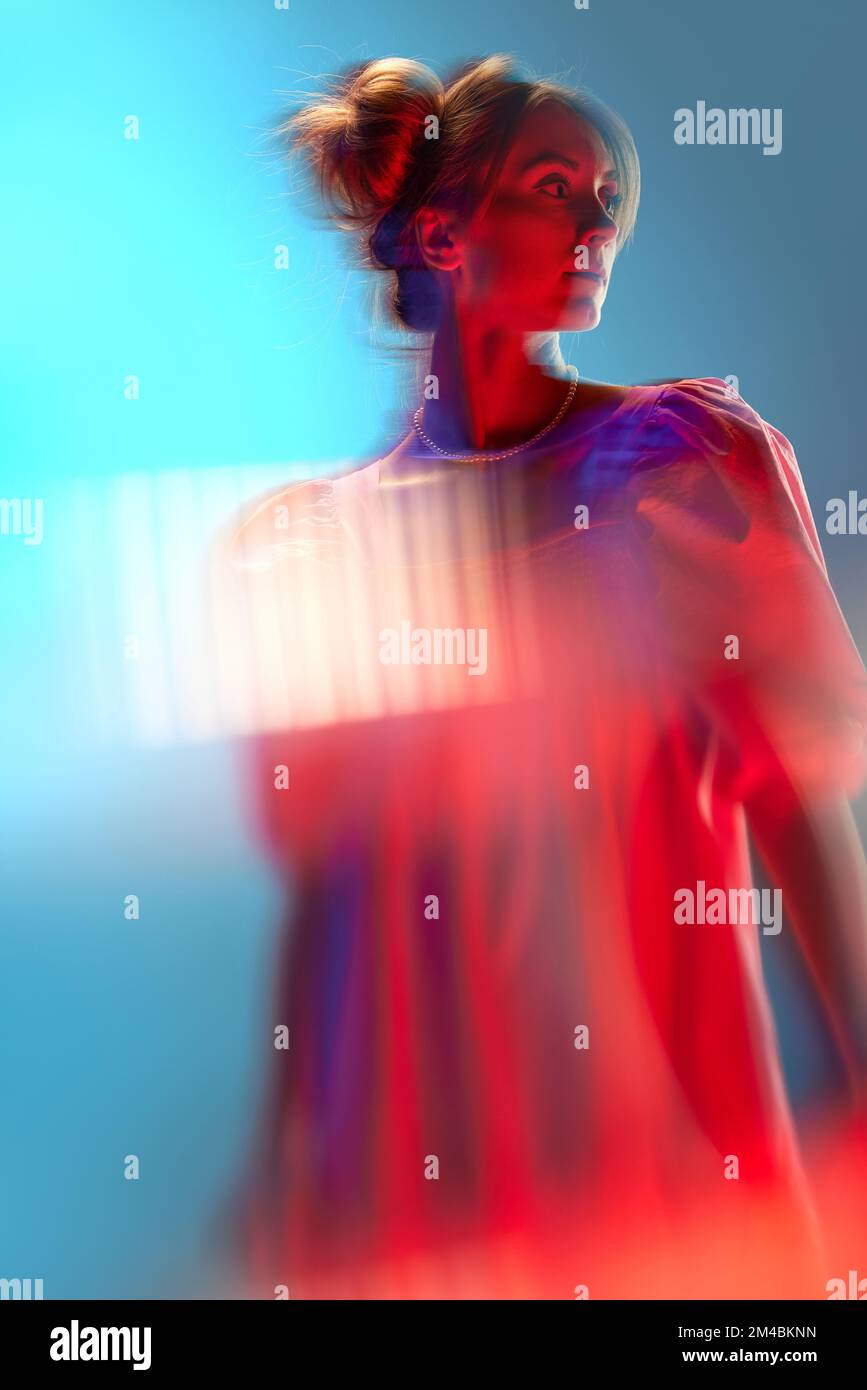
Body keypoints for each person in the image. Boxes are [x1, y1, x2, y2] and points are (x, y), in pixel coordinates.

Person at [213, 54, 867, 1299]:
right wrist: (288, 1156)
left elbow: (796, 794)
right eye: (557, 185)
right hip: (401, 1179)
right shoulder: (307, 547)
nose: (598, 221)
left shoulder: (684, 464)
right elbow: (337, 893)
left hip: (656, 1153)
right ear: (444, 230)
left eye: (607, 196)